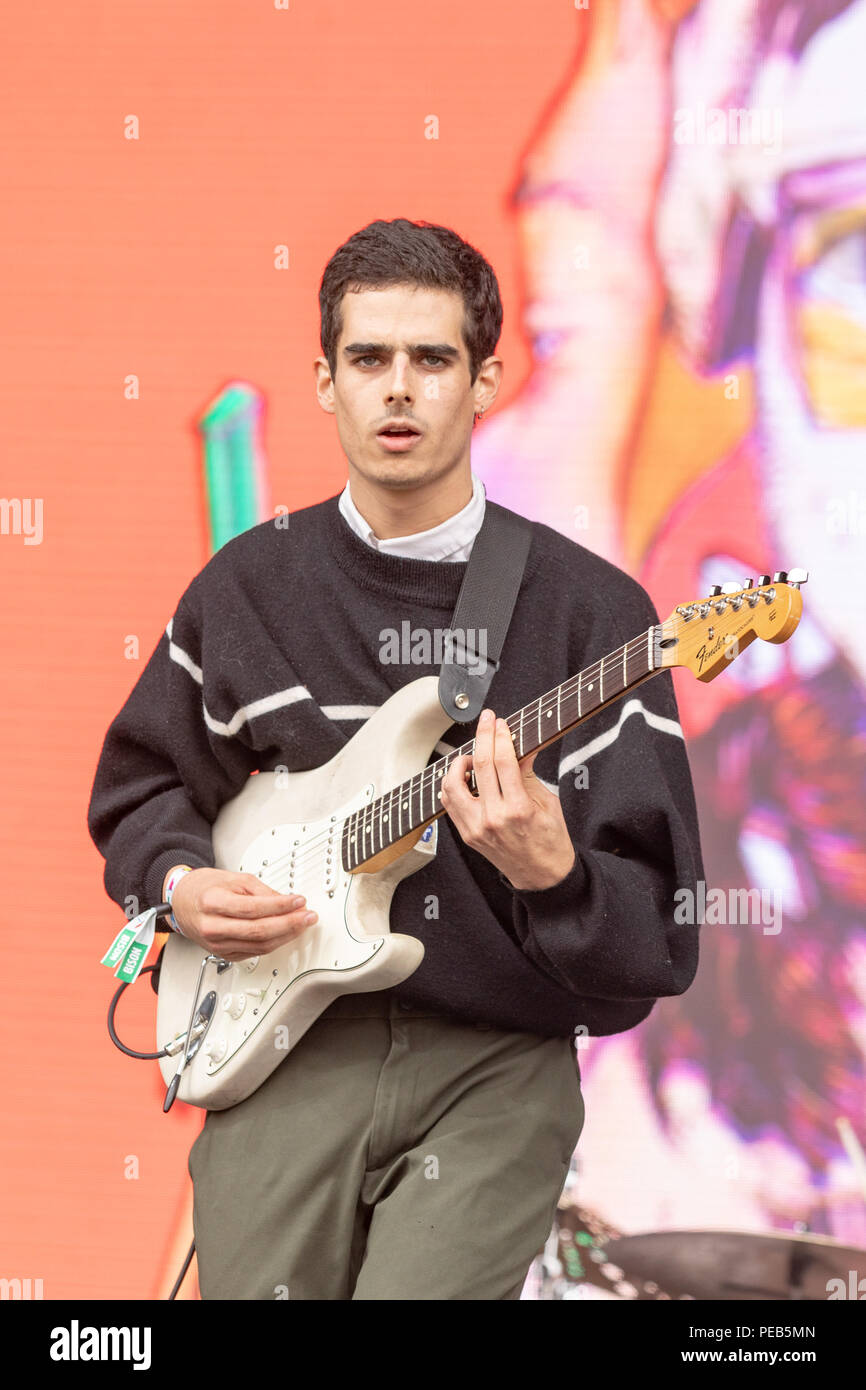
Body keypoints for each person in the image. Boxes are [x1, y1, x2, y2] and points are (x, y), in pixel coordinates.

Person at [87, 217, 704, 1300]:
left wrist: (552, 874)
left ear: (484, 381)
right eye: (368, 359)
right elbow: (142, 788)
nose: (398, 389)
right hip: (281, 1053)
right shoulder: (243, 590)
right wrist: (180, 886)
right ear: (322, 382)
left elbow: (655, 938)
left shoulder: (594, 616)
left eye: (432, 360)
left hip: (494, 1063)